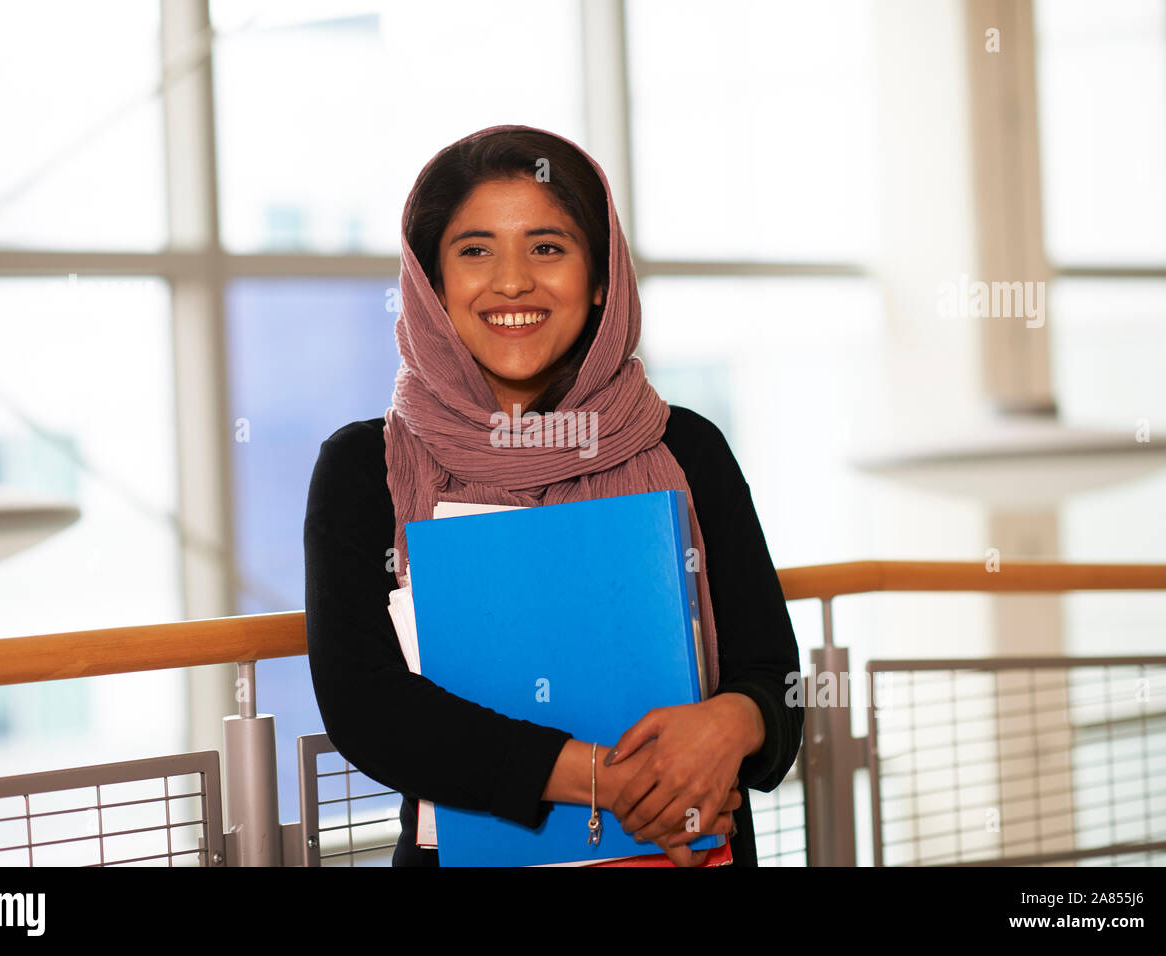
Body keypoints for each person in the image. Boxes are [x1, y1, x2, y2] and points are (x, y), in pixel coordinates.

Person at [304, 124, 803, 867]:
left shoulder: (685, 446)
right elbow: (369, 709)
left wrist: (731, 724)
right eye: (475, 251)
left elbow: (775, 678)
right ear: (432, 285)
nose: (512, 282)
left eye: (548, 247)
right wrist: (612, 781)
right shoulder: (363, 468)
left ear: (601, 277)